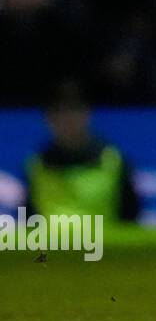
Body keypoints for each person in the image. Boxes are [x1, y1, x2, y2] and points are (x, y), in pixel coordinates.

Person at [25, 81, 139, 222]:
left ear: (87, 113)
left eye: (73, 110)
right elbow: (29, 219)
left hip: (105, 243)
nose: (67, 119)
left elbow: (130, 217)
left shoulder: (114, 162)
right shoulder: (36, 165)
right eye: (59, 112)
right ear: (48, 118)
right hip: (52, 244)